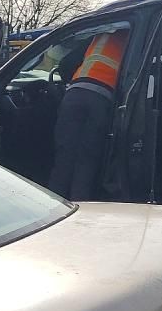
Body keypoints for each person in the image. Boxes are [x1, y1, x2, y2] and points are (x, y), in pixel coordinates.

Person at [48, 28, 129, 201]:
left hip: (74, 94)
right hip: (101, 99)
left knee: (64, 158)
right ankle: (80, 206)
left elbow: (66, 64)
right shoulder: (132, 33)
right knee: (87, 160)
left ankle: (54, 206)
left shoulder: (101, 32)